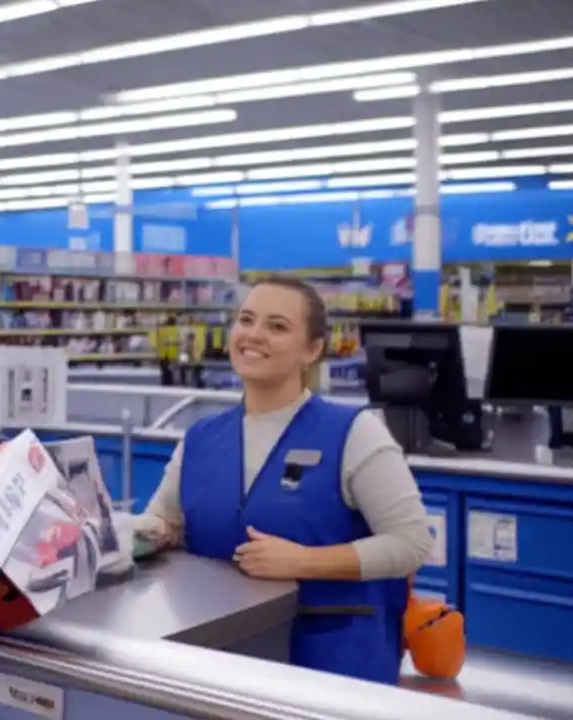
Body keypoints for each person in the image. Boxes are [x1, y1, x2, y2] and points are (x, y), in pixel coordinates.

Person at [133, 276, 434, 685]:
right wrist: (148, 533)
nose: (254, 335)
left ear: (312, 350)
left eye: (277, 326)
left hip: (330, 669)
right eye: (246, 320)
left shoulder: (354, 432)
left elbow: (412, 543)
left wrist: (306, 561)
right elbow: (161, 522)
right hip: (220, 664)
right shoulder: (200, 438)